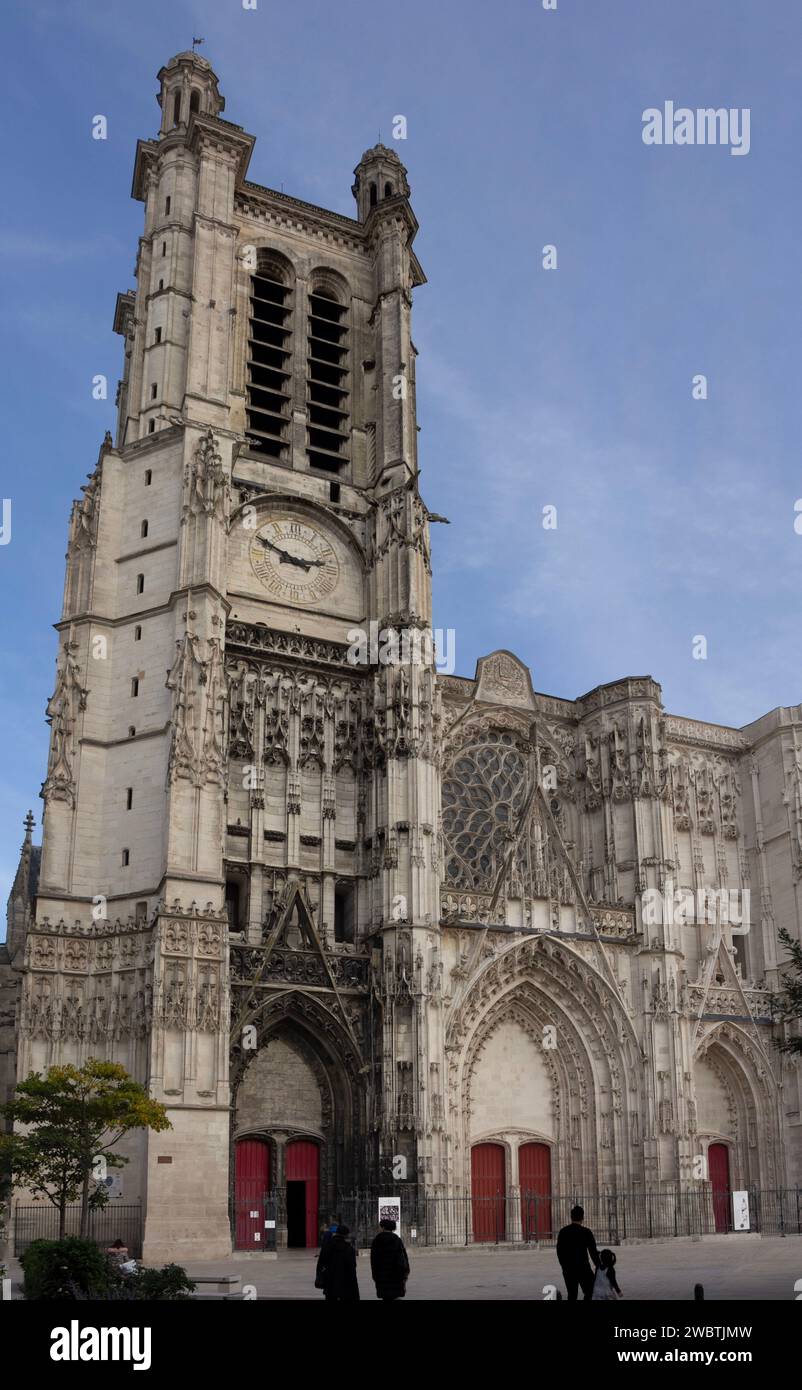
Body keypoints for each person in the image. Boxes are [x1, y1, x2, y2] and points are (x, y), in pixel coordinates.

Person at [556, 1205, 600, 1301]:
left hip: (568, 1268)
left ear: (571, 1217)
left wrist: (564, 1266)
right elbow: (593, 1252)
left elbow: (559, 1251)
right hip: (583, 1268)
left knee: (572, 1294)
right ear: (582, 1217)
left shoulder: (563, 1232)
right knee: (590, 1291)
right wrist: (599, 1265)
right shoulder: (586, 1232)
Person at [314, 1223, 360, 1301]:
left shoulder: (328, 1245)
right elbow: (352, 1267)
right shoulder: (349, 1249)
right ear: (346, 1235)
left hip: (330, 1280)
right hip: (344, 1282)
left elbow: (321, 1263)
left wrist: (319, 1275)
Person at [370, 1217, 410, 1301]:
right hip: (396, 1273)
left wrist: (375, 1274)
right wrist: (404, 1273)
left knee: (385, 1296)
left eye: (380, 1226)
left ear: (383, 1227)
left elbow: (373, 1260)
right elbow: (403, 1257)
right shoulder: (397, 1240)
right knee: (394, 1295)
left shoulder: (376, 1240)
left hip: (381, 1274)